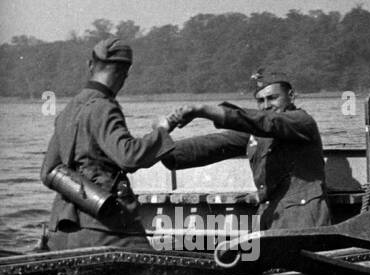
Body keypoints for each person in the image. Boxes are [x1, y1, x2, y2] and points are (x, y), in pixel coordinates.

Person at [39, 37, 181, 250]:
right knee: (155, 271)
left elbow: (48, 171)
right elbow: (128, 156)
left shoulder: (67, 111)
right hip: (108, 228)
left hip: (62, 229)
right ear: (124, 75)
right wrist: (162, 130)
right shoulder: (104, 107)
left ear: (90, 65)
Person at [162, 76, 329, 230]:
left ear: (291, 96)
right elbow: (212, 145)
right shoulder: (257, 134)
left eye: (272, 98)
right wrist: (157, 145)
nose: (266, 106)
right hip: (269, 221)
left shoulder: (301, 122)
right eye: (260, 101)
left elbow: (266, 122)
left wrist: (202, 110)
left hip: (304, 223)